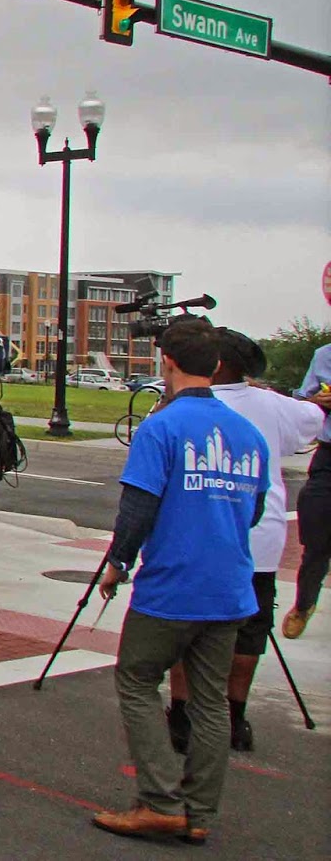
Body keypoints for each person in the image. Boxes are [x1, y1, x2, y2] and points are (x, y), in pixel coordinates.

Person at [91, 321, 267, 845]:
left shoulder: (162, 428)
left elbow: (138, 507)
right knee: (211, 702)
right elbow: (253, 511)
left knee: (137, 678)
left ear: (166, 361)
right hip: (231, 584)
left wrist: (118, 562)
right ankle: (198, 811)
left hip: (173, 584)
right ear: (215, 367)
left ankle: (159, 799)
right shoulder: (248, 434)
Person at [163, 328, 320, 752]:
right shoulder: (273, 406)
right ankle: (234, 716)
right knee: (250, 631)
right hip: (260, 538)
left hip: (196, 538)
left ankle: (181, 712)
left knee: (186, 628)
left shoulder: (181, 408)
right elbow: (313, 420)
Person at [284, 341, 331, 639]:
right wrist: (316, 402)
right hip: (328, 454)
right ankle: (304, 604)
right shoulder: (324, 355)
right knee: (316, 534)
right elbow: (303, 401)